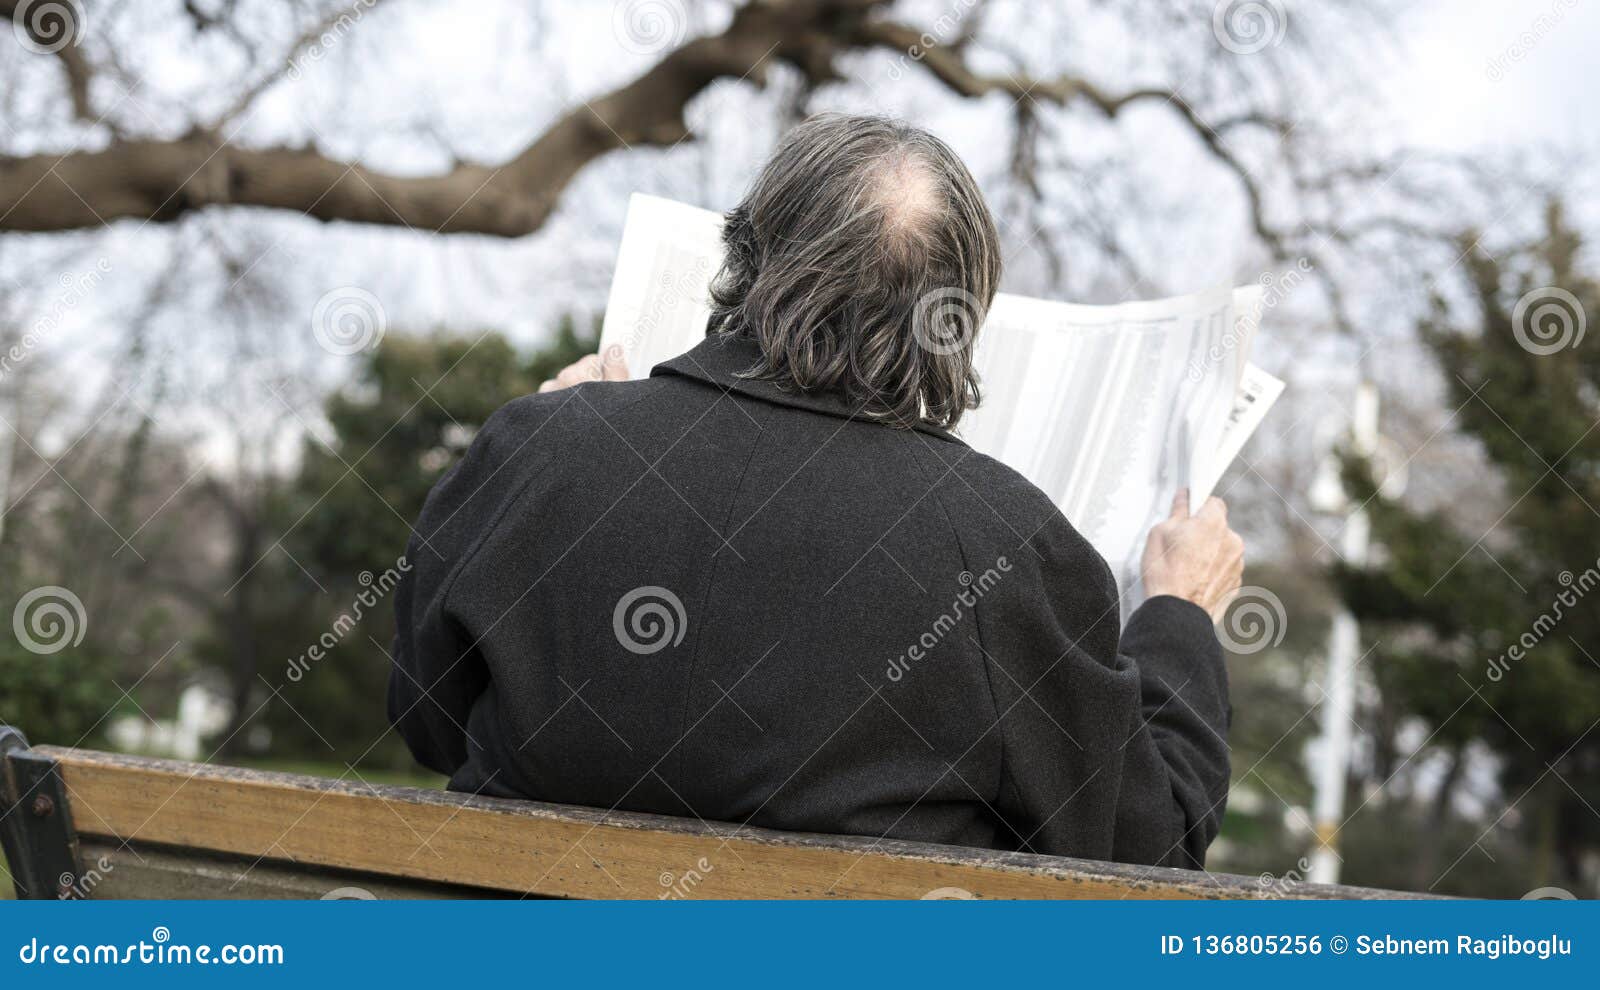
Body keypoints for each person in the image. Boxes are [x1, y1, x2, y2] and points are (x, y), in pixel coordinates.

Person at [389, 113, 1243, 869]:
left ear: (744, 255)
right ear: (955, 320)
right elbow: (1150, 849)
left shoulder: (537, 449)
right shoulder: (1004, 547)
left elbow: (428, 724)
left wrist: (539, 458)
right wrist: (1179, 615)